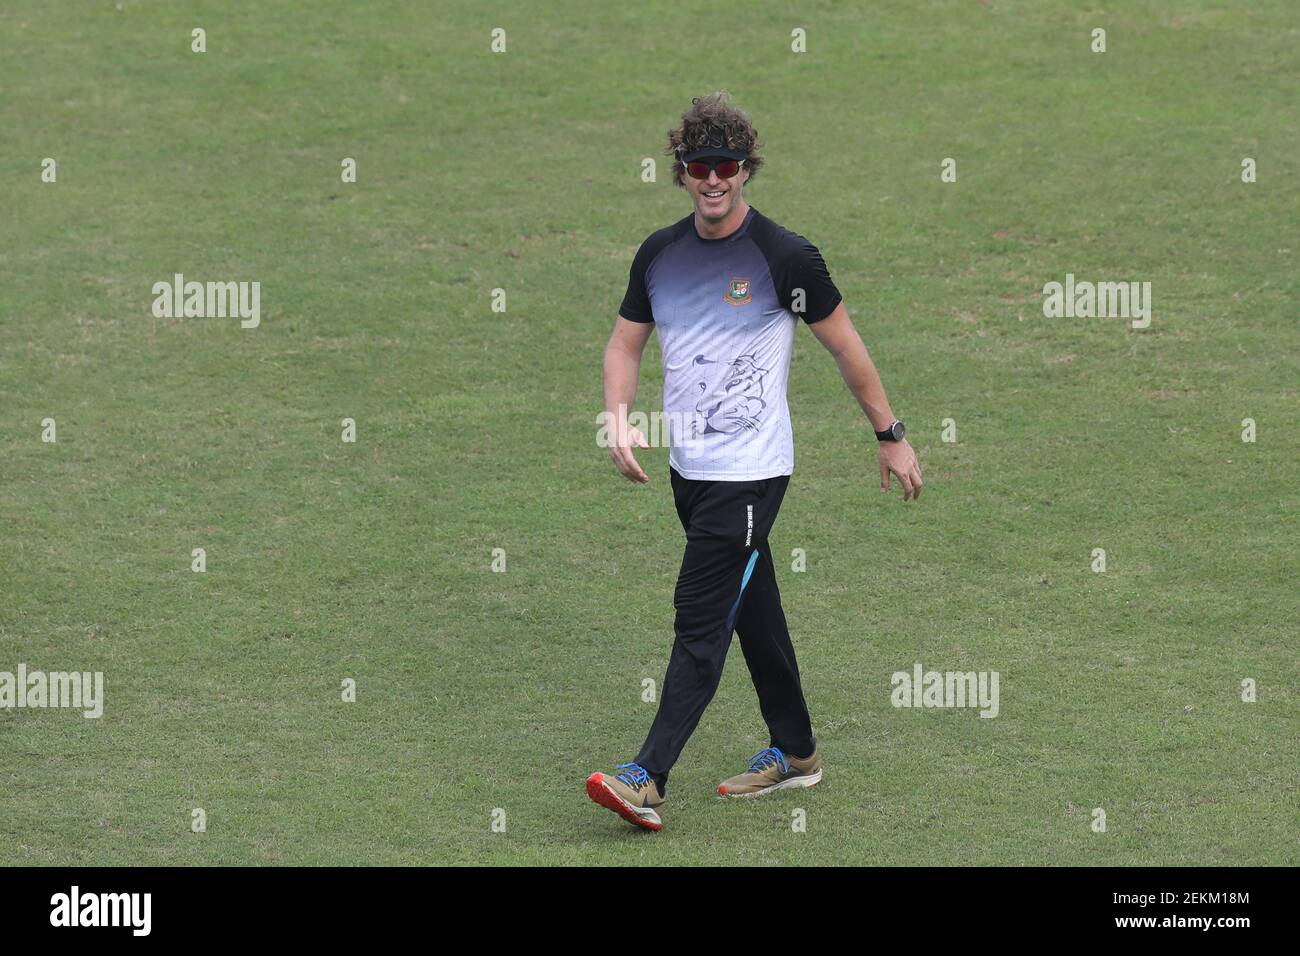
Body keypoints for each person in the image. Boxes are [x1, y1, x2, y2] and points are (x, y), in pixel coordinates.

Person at [588, 92, 923, 831]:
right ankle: (798, 751)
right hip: (691, 471)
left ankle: (648, 777)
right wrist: (618, 414)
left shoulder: (785, 256)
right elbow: (624, 344)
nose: (713, 179)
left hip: (751, 472)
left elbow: (845, 346)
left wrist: (890, 434)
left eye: (726, 166)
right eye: (698, 166)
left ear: (746, 170)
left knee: (701, 619)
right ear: (681, 171)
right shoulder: (660, 254)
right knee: (753, 609)